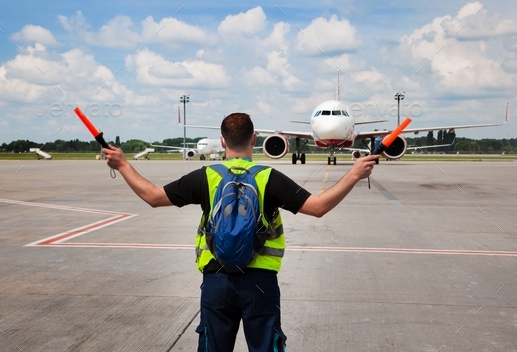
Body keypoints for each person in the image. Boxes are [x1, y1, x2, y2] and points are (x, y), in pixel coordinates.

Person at [103, 112, 379, 352]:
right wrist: (353, 174)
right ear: (255, 138)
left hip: (216, 281)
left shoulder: (206, 176)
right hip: (261, 282)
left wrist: (124, 164)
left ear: (222, 141)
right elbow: (318, 207)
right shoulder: (268, 177)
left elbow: (153, 196)